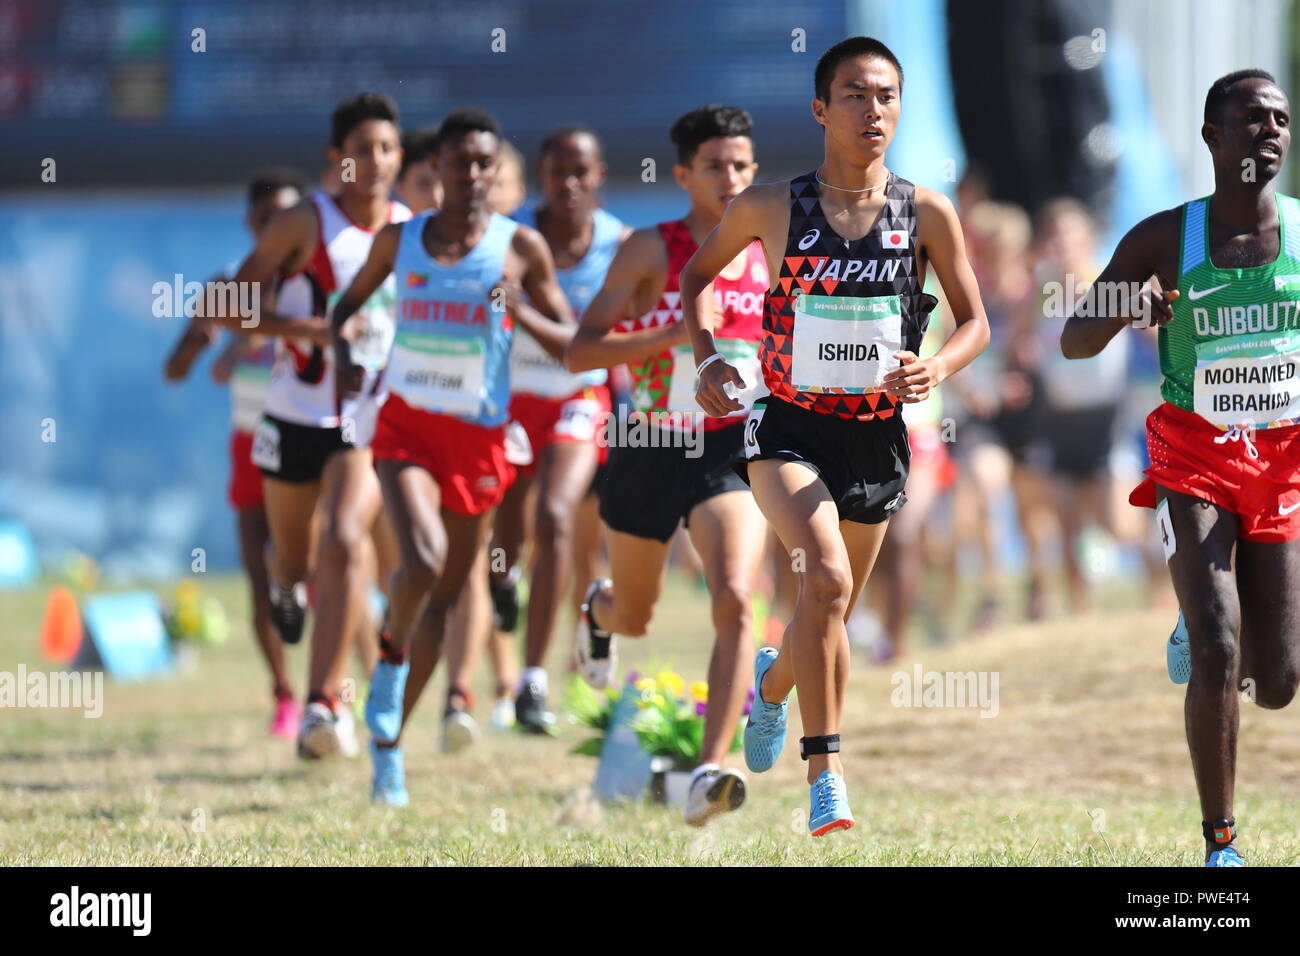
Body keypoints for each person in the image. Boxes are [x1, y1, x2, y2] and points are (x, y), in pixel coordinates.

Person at [683, 37, 988, 835]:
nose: (872, 110)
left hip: (877, 440)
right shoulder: (769, 207)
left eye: (886, 96)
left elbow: (975, 322)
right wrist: (710, 356)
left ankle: (774, 685)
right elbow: (696, 280)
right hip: (786, 429)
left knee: (829, 609)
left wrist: (938, 370)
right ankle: (827, 777)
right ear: (821, 109)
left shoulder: (926, 212)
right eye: (855, 95)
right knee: (822, 577)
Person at [1061, 69, 1300, 866]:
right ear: (1212, 137)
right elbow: (1074, 339)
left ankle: (1198, 599)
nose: (1268, 131)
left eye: (1280, 119)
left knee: (1276, 681)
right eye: (1250, 119)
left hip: (1281, 462)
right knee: (1219, 645)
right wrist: (1130, 306)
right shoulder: (1166, 237)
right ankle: (1221, 844)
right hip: (1192, 454)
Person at [332, 108, 574, 805]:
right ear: (433, 170)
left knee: (444, 600)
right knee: (425, 559)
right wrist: (348, 361)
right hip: (406, 429)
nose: (471, 175)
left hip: (479, 440)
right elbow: (343, 312)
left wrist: (522, 307)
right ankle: (385, 664)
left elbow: (571, 346)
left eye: (483, 164)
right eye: (458, 162)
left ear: (497, 174)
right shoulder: (399, 240)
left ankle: (388, 743)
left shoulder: (519, 245)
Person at [567, 104, 770, 826]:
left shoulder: (771, 249)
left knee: (738, 597)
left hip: (730, 447)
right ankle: (597, 611)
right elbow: (580, 350)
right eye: (716, 166)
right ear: (683, 175)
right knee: (638, 614)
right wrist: (663, 339)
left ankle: (710, 769)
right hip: (652, 443)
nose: (733, 178)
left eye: (743, 165)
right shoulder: (652, 250)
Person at [212, 93, 411, 759]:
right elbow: (231, 304)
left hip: (363, 419)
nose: (376, 162)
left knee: (348, 538)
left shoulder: (413, 230)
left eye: (386, 149)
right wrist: (315, 330)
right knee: (293, 558)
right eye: (362, 150)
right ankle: (281, 581)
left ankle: (325, 703)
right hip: (293, 416)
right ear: (338, 161)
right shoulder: (304, 223)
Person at [492, 125, 629, 733]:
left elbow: (605, 342)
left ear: (600, 176)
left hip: (580, 398)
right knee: (505, 537)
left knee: (556, 519)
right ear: (541, 177)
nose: (569, 184)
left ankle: (533, 682)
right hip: (506, 400)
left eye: (582, 172)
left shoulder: (621, 244)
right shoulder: (510, 235)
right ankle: (506, 578)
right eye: (557, 173)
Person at [164, 168, 305, 738]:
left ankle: (347, 686)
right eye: (267, 217)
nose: (278, 227)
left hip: (311, 436)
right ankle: (285, 695)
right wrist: (200, 340)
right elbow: (174, 372)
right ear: (251, 224)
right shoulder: (228, 287)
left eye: (288, 216)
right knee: (258, 571)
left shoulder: (315, 282)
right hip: (251, 440)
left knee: (317, 562)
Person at [396, 127, 443, 215]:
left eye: (445, 183)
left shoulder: (474, 227)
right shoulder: (385, 227)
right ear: (400, 186)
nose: (436, 198)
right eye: (424, 184)